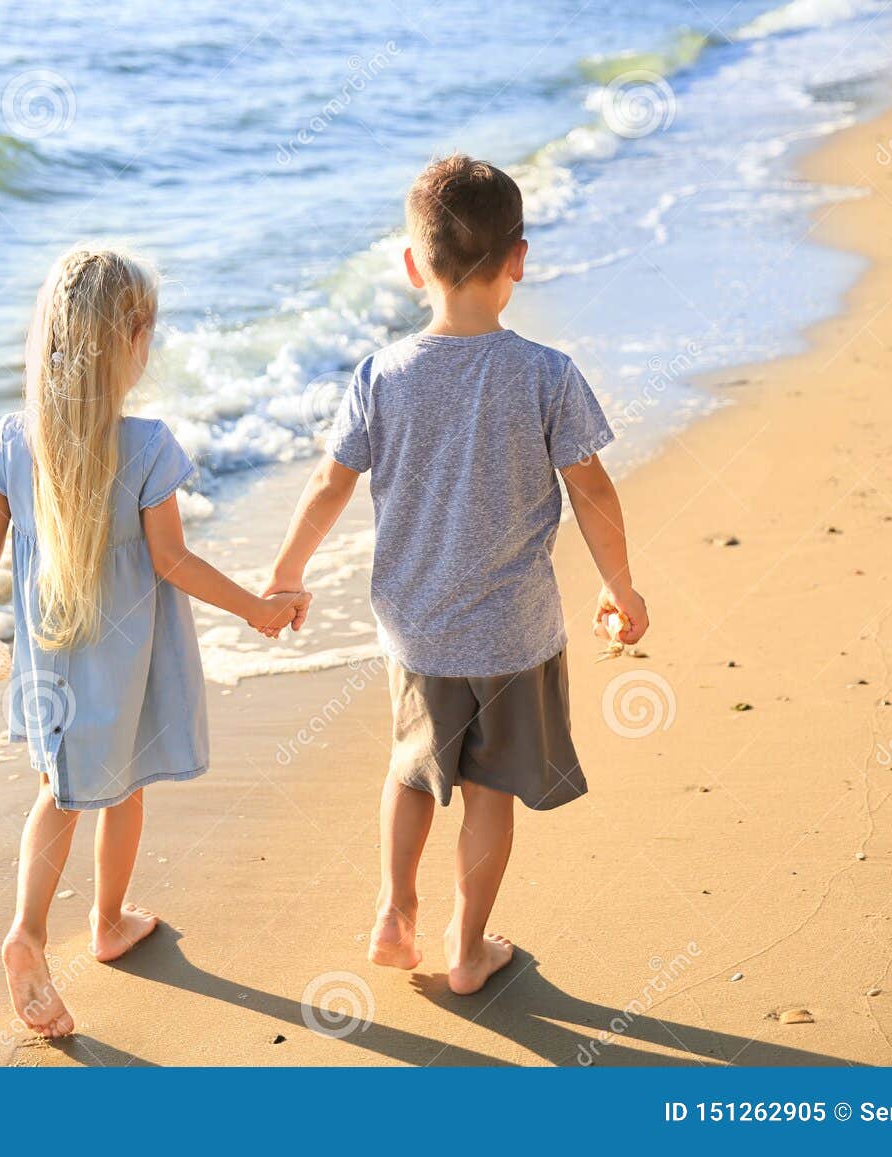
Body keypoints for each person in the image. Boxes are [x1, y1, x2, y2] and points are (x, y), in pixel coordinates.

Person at [265, 155, 649, 994]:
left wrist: (287, 575)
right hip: (515, 637)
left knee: (410, 772)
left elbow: (329, 482)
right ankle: (468, 950)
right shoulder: (545, 373)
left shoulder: (381, 374)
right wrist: (621, 588)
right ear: (519, 258)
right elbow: (591, 488)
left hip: (418, 631)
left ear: (412, 267)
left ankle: (394, 911)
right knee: (489, 792)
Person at [0, 243, 309, 1036]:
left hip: (49, 658)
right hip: (129, 660)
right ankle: (64, 927)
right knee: (109, 786)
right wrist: (256, 608)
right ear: (131, 339)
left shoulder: (13, 440)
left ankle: (68, 924)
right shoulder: (144, 445)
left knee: (67, 785)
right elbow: (172, 561)